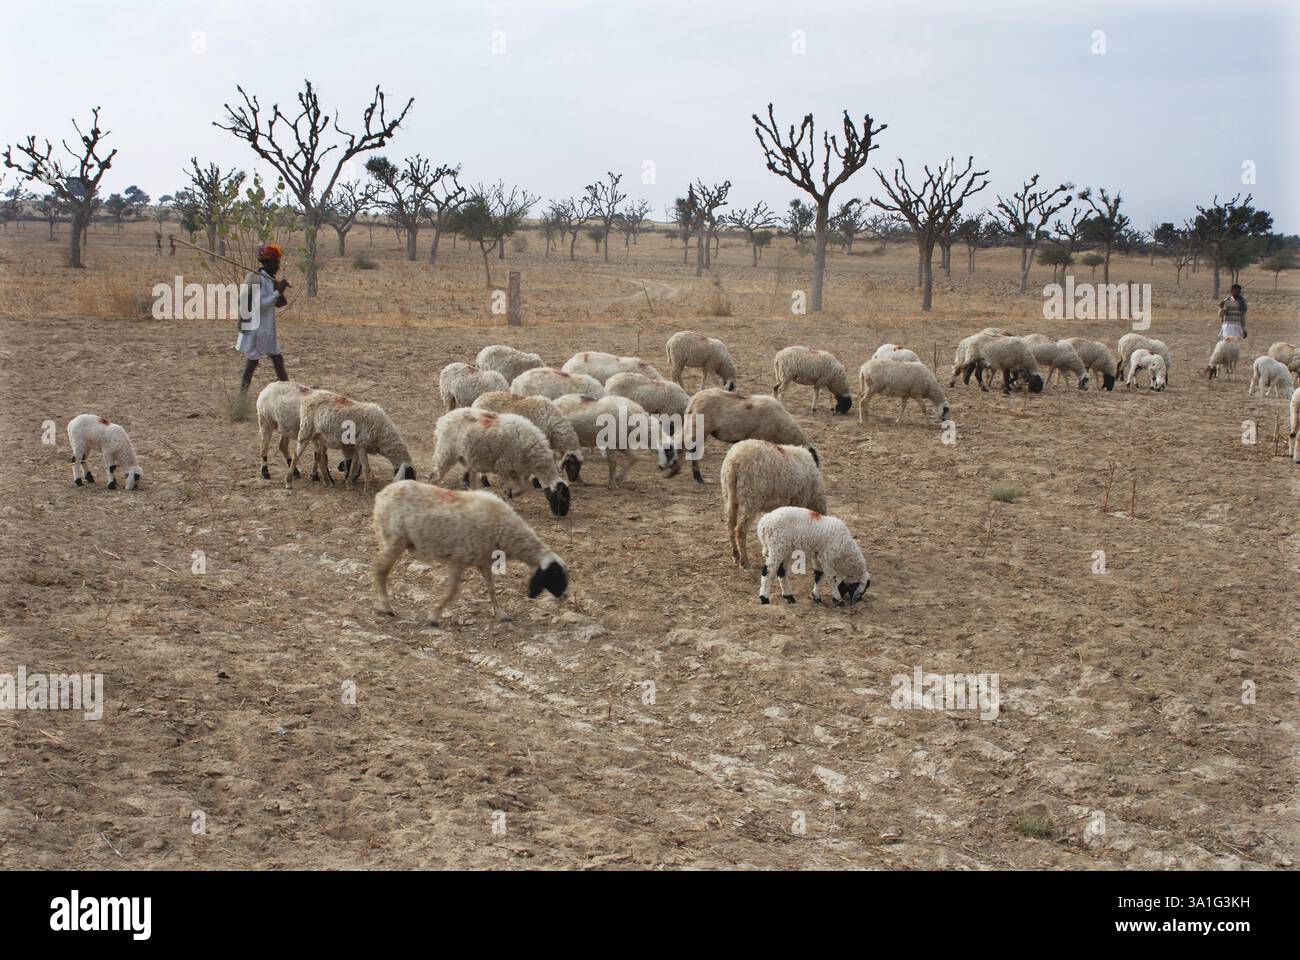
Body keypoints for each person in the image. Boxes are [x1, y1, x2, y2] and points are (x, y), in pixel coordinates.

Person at [236, 243, 291, 393]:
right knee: (252, 363)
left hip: (267, 329)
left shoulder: (268, 278)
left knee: (277, 359)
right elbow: (258, 305)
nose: (278, 266)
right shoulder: (256, 278)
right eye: (276, 262)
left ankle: (289, 393)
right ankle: (241, 397)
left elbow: (279, 303)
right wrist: (277, 292)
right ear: (267, 262)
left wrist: (278, 290)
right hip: (256, 329)